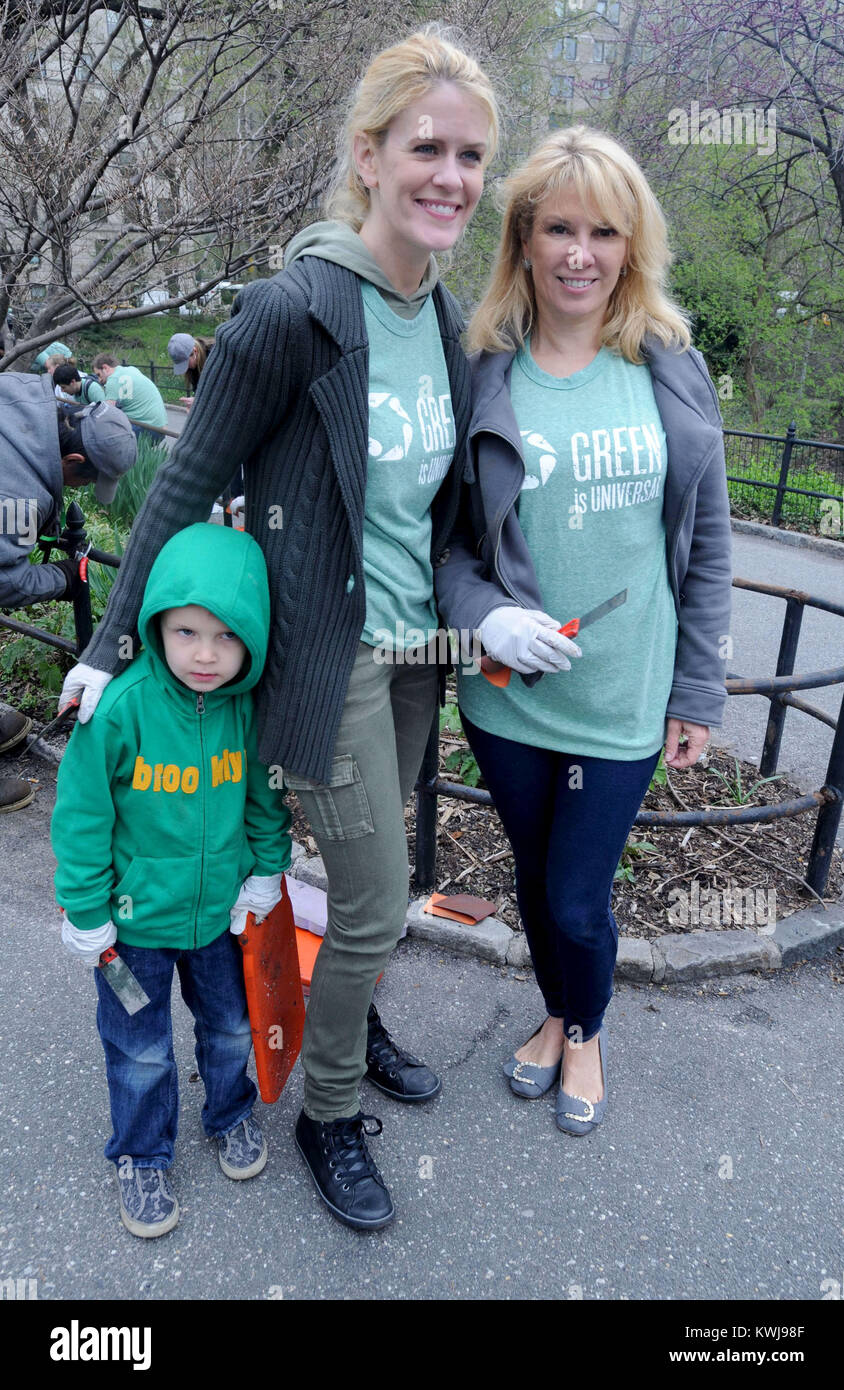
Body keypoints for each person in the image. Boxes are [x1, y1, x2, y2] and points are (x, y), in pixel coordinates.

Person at [60, 26, 499, 1231]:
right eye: (424, 147)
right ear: (367, 154)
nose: (449, 176)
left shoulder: (447, 315)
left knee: (378, 889)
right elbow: (183, 476)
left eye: (468, 154)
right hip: (328, 659)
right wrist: (104, 649)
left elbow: (435, 506)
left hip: (420, 655)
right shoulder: (293, 312)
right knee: (371, 899)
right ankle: (327, 1111)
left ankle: (354, 1019)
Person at [435, 126, 732, 1136]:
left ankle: (586, 1027)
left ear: (629, 243)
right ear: (520, 239)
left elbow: (708, 545)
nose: (577, 252)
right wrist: (490, 618)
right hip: (509, 699)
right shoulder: (482, 367)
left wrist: (696, 692)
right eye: (556, 227)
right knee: (530, 875)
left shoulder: (667, 364)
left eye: (601, 231)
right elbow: (446, 549)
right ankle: (555, 1013)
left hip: (620, 697)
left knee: (573, 897)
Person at [51, 523, 292, 1237]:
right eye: (186, 631)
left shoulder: (245, 711)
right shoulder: (120, 709)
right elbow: (83, 815)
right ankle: (143, 1154)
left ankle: (231, 1113)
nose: (205, 654)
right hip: (131, 934)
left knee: (228, 1028)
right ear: (155, 622)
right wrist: (85, 910)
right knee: (139, 1047)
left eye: (226, 635)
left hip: (219, 918)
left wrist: (267, 871)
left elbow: (263, 797)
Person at [0, 375, 136, 812]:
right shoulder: (20, 497)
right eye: (82, 482)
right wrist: (63, 577)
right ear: (73, 458)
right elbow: (5, 583)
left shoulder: (20, 390)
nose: (78, 493)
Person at [91, 354, 168, 433]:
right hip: (161, 426)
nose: (99, 380)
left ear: (105, 368)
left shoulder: (113, 379)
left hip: (145, 428)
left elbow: (107, 412)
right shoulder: (132, 369)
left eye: (99, 375)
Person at [167, 333, 215, 408]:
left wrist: (199, 402)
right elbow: (199, 392)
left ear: (194, 352)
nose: (186, 368)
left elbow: (222, 394)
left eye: (186, 363)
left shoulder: (215, 359)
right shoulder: (193, 368)